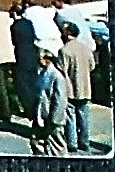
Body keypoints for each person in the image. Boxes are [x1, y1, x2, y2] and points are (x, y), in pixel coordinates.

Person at [58, 22, 94, 153]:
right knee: (84, 115)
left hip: (71, 89)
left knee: (70, 116)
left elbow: (62, 70)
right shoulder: (86, 48)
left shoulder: (64, 50)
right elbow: (92, 66)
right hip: (85, 86)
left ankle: (72, 143)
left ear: (68, 33)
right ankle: (84, 141)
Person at [30, 49, 71, 156]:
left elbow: (60, 100)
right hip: (40, 116)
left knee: (57, 146)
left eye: (43, 58)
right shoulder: (41, 73)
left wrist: (54, 120)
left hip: (53, 119)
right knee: (37, 143)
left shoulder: (57, 76)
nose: (39, 61)